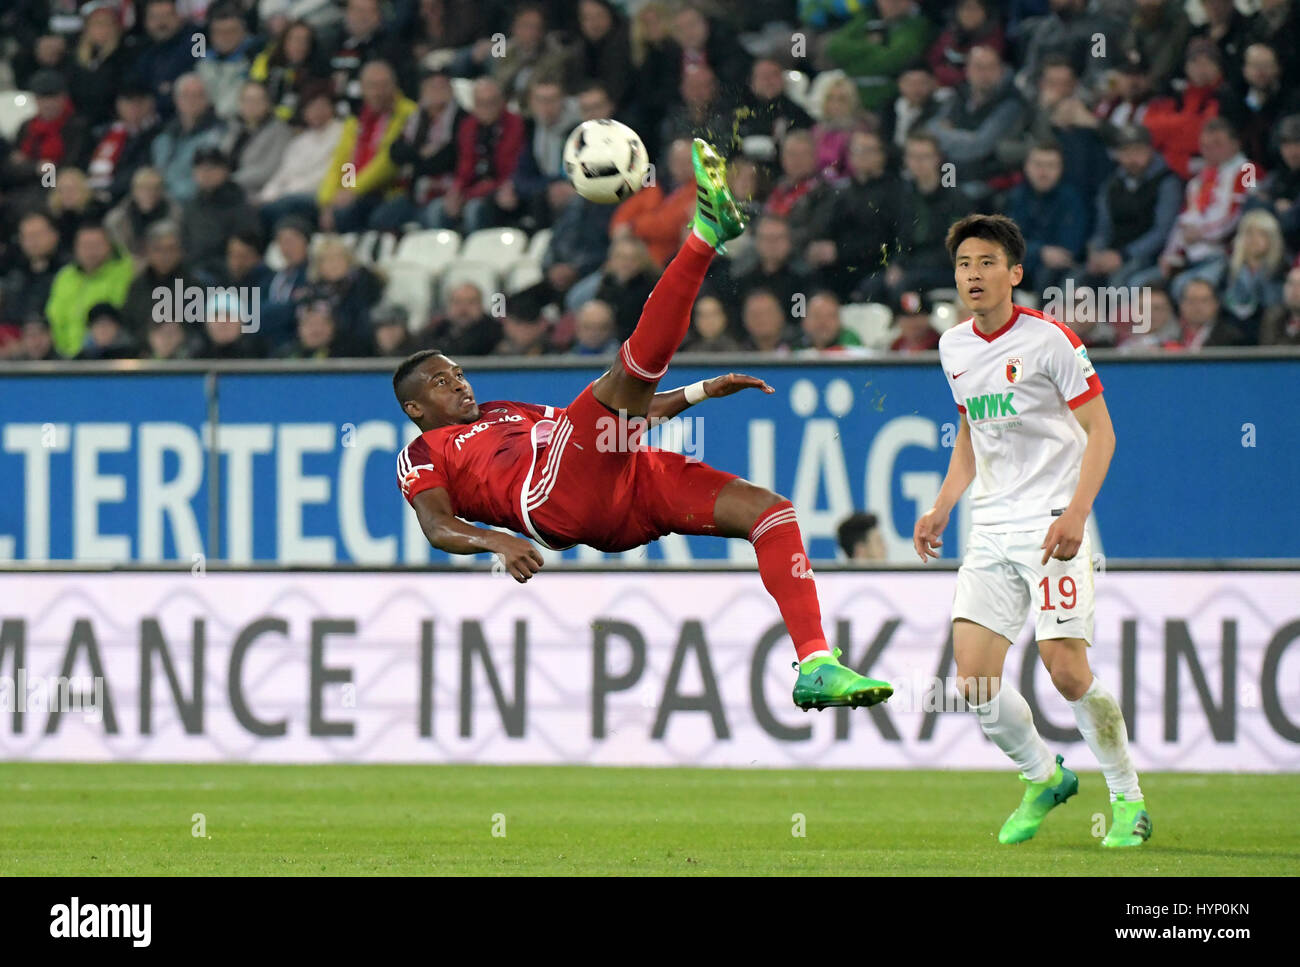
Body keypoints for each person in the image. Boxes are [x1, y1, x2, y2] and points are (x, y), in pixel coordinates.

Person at [395, 139, 894, 713]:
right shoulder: (423, 450)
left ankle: (815, 664)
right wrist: (496, 541)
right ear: (415, 408)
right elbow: (436, 526)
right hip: (555, 496)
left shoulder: (508, 411)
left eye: (458, 373)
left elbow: (622, 423)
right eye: (441, 382)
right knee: (630, 369)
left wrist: (703, 391)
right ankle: (705, 235)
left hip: (619, 489)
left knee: (769, 511)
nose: (459, 383)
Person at [913, 213, 1151, 849]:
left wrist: (1076, 513)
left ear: (1014, 275)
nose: (974, 275)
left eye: (987, 263)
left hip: (1053, 521)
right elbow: (971, 433)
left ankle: (1129, 799)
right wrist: (942, 505)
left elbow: (1103, 433)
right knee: (974, 680)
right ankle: (1043, 776)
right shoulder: (953, 347)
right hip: (989, 524)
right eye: (964, 264)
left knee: (1066, 670)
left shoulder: (1051, 342)